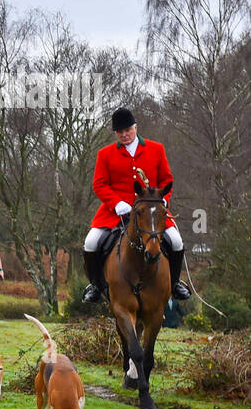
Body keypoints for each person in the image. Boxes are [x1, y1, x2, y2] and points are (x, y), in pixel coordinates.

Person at [82, 107, 191, 303]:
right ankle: (96, 286)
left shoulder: (156, 149)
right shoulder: (105, 154)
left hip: (151, 211)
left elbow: (166, 179)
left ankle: (174, 284)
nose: (124, 135)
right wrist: (116, 203)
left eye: (128, 130)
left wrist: (163, 199)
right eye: (120, 132)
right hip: (114, 212)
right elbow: (99, 184)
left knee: (176, 241)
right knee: (90, 242)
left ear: (135, 127)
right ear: (116, 133)